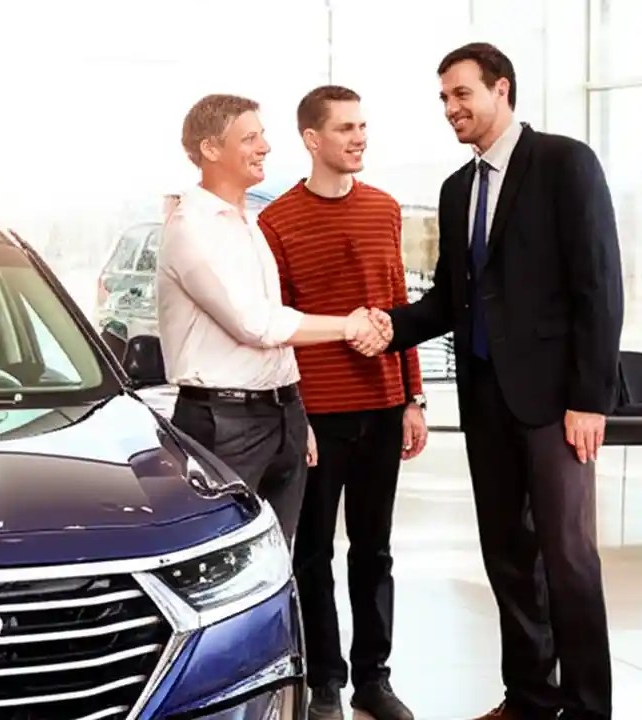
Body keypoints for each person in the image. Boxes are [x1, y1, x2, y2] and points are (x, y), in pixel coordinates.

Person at [355, 43, 624, 720]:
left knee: (567, 558)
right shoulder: (457, 188)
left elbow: (600, 287)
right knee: (507, 554)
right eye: (443, 98)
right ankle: (529, 697)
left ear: (502, 89)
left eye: (461, 94)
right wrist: (388, 327)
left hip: (556, 403)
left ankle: (589, 707)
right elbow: (451, 299)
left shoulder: (565, 164)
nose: (451, 109)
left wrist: (589, 399)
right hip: (485, 399)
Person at [257, 85, 424, 720]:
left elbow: (396, 302)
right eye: (346, 128)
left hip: (383, 405)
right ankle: (325, 679)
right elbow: (279, 326)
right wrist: (294, 415)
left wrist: (413, 397)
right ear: (311, 139)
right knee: (313, 552)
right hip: (319, 414)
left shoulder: (384, 208)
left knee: (374, 549)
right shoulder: (277, 222)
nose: (358, 138)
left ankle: (374, 681)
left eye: (363, 127)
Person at [156, 93, 383, 542]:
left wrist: (293, 417)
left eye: (263, 136)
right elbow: (256, 324)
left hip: (280, 414)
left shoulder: (248, 222)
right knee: (225, 562)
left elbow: (272, 327)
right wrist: (348, 326)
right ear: (210, 149)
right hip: (223, 423)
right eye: (250, 138)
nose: (265, 147)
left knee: (279, 560)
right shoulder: (191, 228)